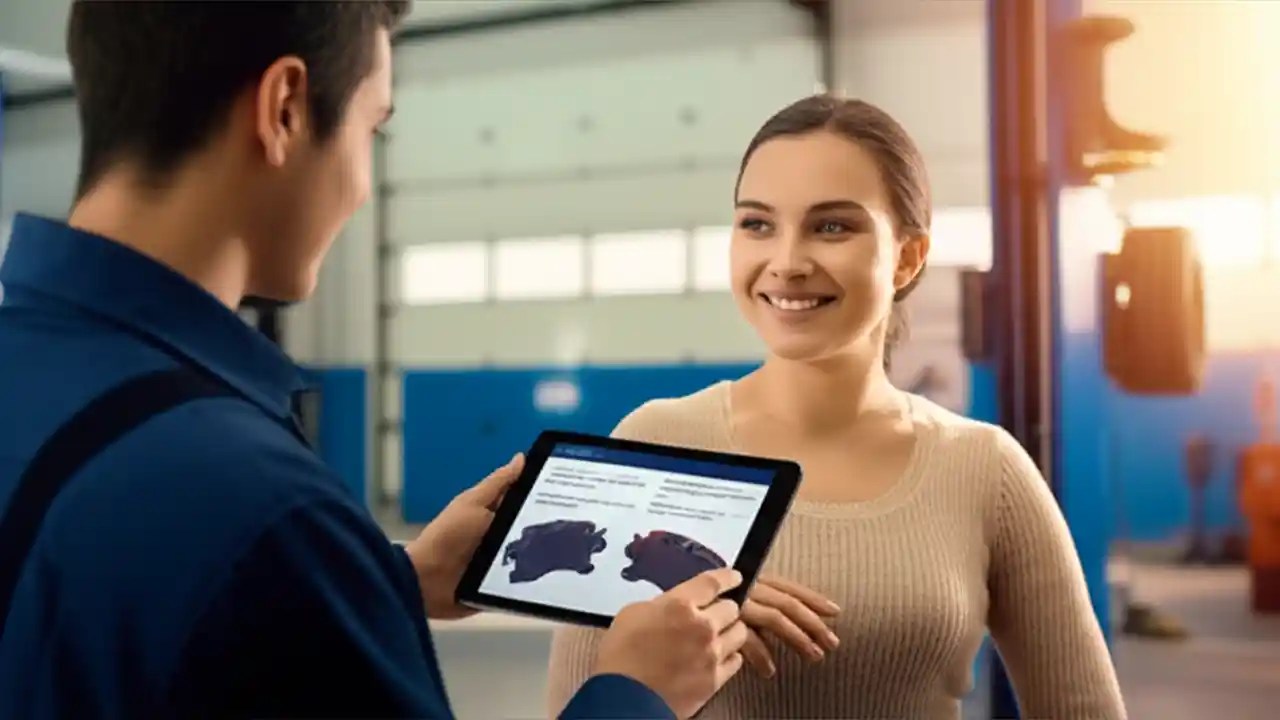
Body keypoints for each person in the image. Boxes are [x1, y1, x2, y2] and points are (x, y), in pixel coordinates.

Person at [0, 3, 748, 719]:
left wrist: (384, 580)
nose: (362, 186)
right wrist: (633, 693)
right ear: (285, 108)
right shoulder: (262, 505)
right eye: (372, 129)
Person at [546, 95, 1128, 719]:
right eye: (757, 224)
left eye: (832, 226)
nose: (788, 263)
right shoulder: (652, 444)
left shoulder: (986, 469)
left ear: (908, 257)